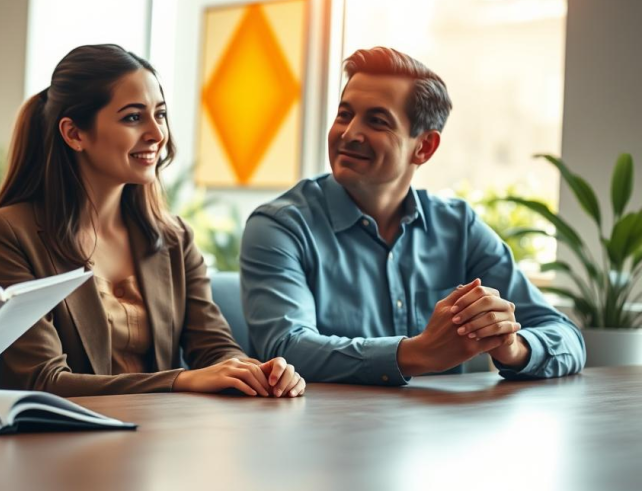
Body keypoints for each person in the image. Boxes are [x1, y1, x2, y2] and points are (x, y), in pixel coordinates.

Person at [0, 44, 304, 398]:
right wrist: (178, 380)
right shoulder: (7, 234)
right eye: (133, 117)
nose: (157, 134)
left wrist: (258, 373)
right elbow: (41, 380)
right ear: (74, 134)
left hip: (160, 439)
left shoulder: (175, 237)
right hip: (59, 442)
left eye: (159, 114)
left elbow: (214, 348)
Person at [241, 46, 585, 385]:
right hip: (319, 433)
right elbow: (287, 349)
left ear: (424, 147)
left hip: (439, 432)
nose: (349, 133)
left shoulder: (458, 227)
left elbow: (566, 336)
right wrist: (418, 353)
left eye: (376, 121)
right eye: (345, 114)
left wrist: (512, 346)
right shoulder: (280, 226)